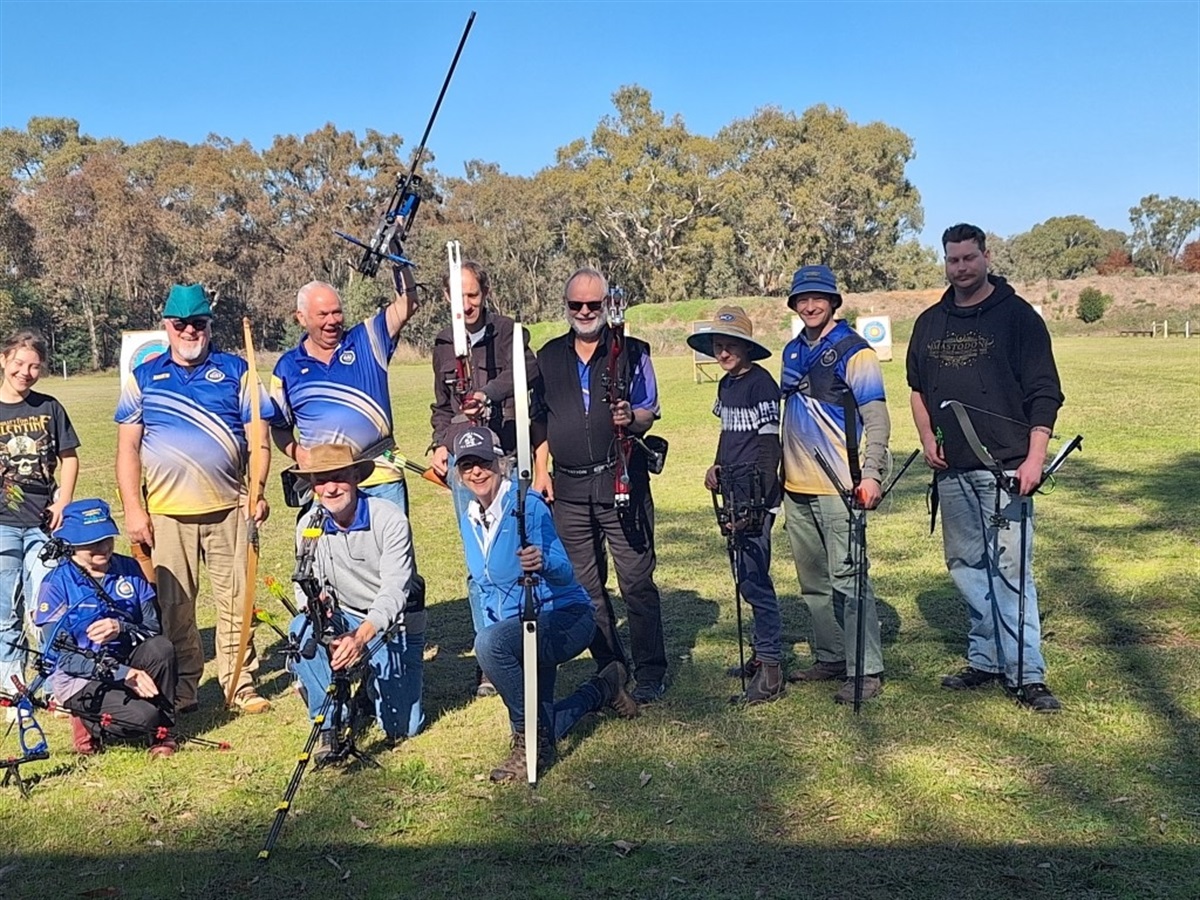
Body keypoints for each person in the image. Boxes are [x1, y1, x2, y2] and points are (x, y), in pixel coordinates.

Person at [907, 223, 1064, 712]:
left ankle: (1028, 674)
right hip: (953, 469)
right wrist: (927, 436)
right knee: (967, 566)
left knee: (1011, 571)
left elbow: (1045, 393)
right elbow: (917, 388)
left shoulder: (1017, 318)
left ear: (986, 256)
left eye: (968, 258)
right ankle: (987, 658)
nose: (960, 268)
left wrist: (1034, 458)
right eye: (952, 260)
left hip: (1006, 467)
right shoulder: (930, 321)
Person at [115, 283, 271, 715]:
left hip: (229, 508)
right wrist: (133, 508)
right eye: (180, 324)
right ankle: (185, 687)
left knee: (237, 600)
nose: (189, 331)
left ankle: (239, 683)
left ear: (209, 325)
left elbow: (259, 440)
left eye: (198, 324)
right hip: (167, 514)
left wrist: (257, 490)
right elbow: (127, 448)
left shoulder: (237, 370)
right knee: (176, 608)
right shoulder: (144, 376)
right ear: (167, 325)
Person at [453, 426, 638, 783]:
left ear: (501, 463)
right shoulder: (470, 520)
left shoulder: (527, 506)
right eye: (467, 465)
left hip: (562, 617)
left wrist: (542, 561)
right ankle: (603, 688)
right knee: (545, 721)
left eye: (483, 462)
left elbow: (566, 573)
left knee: (489, 646)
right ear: (459, 474)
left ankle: (527, 737)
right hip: (519, 629)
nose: (476, 472)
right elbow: (485, 584)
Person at [531, 267, 667, 705]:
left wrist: (633, 417)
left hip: (621, 481)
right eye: (577, 305)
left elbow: (650, 410)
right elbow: (538, 421)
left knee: (636, 583)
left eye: (594, 304)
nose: (586, 311)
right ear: (566, 307)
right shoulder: (548, 357)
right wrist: (540, 469)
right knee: (585, 588)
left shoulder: (633, 351)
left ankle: (650, 671)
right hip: (568, 492)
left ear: (608, 304)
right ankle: (611, 666)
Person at [780, 265, 892, 704]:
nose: (809, 306)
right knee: (813, 582)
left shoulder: (855, 352)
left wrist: (872, 473)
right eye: (801, 300)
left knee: (850, 580)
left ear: (833, 302)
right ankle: (830, 656)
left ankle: (865, 668)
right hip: (795, 486)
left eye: (817, 298)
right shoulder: (791, 351)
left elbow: (876, 417)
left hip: (838, 486)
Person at [429, 260, 538, 696]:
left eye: (472, 295)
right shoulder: (442, 344)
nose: (466, 304)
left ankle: (518, 645)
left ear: (485, 293)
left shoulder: (509, 332)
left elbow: (528, 373)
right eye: (458, 297)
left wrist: (486, 394)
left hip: (506, 458)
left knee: (515, 558)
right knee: (480, 567)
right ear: (446, 300)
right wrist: (441, 441)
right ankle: (488, 659)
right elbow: (441, 407)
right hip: (465, 464)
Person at [286, 444, 425, 760]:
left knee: (403, 727)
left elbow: (394, 591)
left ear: (356, 478)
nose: (330, 488)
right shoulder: (309, 524)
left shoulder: (389, 519)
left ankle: (368, 682)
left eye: (338, 478)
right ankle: (330, 720)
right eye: (321, 481)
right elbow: (302, 582)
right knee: (302, 629)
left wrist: (361, 637)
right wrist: (314, 606)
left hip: (395, 621)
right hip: (343, 616)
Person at [686, 307, 784, 704]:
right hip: (732, 490)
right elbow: (728, 433)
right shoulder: (725, 386)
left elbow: (768, 444)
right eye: (718, 346)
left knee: (756, 580)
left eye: (730, 346)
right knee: (744, 575)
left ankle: (772, 667)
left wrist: (755, 503)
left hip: (755, 496)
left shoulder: (762, 385)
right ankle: (761, 655)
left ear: (747, 347)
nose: (723, 353)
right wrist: (716, 465)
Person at [33, 500, 177, 757]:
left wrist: (121, 627)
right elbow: (62, 658)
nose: (102, 548)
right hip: (81, 678)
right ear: (72, 543)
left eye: (106, 538)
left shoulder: (129, 569)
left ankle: (163, 735)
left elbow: (153, 628)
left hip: (125, 659)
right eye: (91, 542)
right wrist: (124, 673)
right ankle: (88, 722)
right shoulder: (55, 584)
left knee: (161, 648)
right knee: (142, 717)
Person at [270, 273, 417, 515]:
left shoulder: (368, 339)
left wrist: (398, 258)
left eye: (337, 312)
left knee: (391, 551)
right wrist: (299, 454)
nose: (332, 321)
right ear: (301, 318)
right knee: (331, 553)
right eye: (323, 314)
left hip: (382, 477)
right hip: (327, 484)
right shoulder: (287, 367)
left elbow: (408, 304)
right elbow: (279, 427)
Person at [0, 329, 79, 692]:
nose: (25, 372)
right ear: (4, 360)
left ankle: (53, 683)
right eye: (19, 363)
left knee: (46, 607)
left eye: (34, 367)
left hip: (42, 523)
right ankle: (11, 685)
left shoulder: (49, 407)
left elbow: (69, 458)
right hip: (3, 524)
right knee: (5, 611)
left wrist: (63, 501)